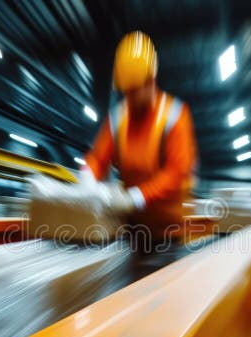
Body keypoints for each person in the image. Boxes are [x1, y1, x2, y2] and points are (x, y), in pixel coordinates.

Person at [83, 31, 198, 242]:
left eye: (135, 90)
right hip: (133, 231)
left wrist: (136, 197)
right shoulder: (118, 118)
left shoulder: (174, 116)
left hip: (169, 233)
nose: (130, 98)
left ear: (151, 81)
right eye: (126, 92)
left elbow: (177, 171)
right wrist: (87, 178)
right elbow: (98, 158)